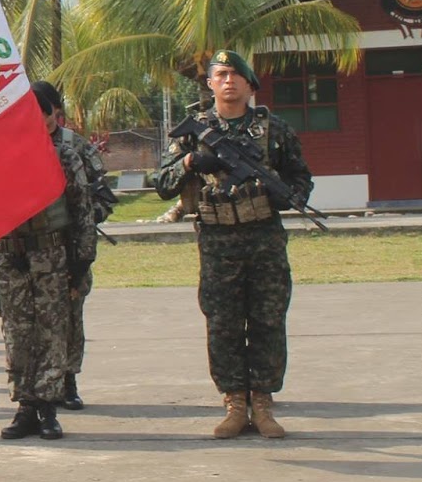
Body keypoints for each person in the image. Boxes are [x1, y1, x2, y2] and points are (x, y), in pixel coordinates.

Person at [155, 50, 312, 439]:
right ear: (210, 83)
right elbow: (161, 184)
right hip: (217, 240)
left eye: (236, 75)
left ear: (249, 83)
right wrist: (191, 162)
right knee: (222, 323)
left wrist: (286, 195)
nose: (229, 81)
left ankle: (262, 402)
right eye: (220, 74)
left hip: (264, 237)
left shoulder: (273, 129)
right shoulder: (193, 131)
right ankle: (234, 403)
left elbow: (301, 178)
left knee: (268, 320)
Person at [0, 83, 97, 442]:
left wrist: (81, 261)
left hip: (52, 254)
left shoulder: (65, 154)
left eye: (41, 111)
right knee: (17, 332)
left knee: (51, 330)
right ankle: (25, 406)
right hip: (11, 255)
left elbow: (82, 210)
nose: (34, 118)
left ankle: (48, 407)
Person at [34, 81, 118, 410]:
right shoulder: (18, 143)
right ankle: (38, 384)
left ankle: (68, 379)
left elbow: (104, 196)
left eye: (46, 110)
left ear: (57, 112)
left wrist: (82, 219)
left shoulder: (76, 147)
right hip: (33, 245)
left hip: (71, 245)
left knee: (69, 315)